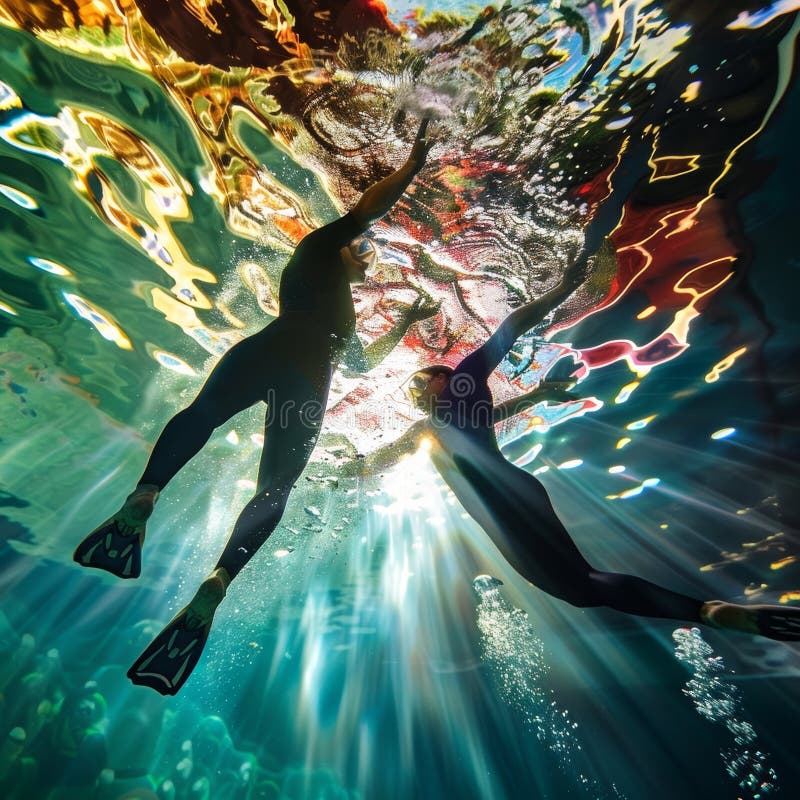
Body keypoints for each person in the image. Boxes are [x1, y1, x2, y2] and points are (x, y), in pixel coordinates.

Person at [73, 120, 432, 695]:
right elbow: (367, 211)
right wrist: (410, 168)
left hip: (266, 351)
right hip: (308, 385)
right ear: (346, 246)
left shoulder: (324, 287)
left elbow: (366, 363)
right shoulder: (319, 254)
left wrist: (407, 324)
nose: (367, 254)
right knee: (276, 490)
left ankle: (146, 494)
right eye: (362, 248)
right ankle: (219, 578)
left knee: (204, 413)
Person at [385, 256, 800, 642]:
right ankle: (710, 613)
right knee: (581, 589)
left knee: (581, 587)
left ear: (443, 376)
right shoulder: (438, 424)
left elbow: (509, 329)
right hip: (504, 498)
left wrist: (563, 288)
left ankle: (708, 611)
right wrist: (535, 399)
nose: (418, 389)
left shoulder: (462, 380)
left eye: (423, 380)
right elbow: (482, 424)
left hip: (502, 496)